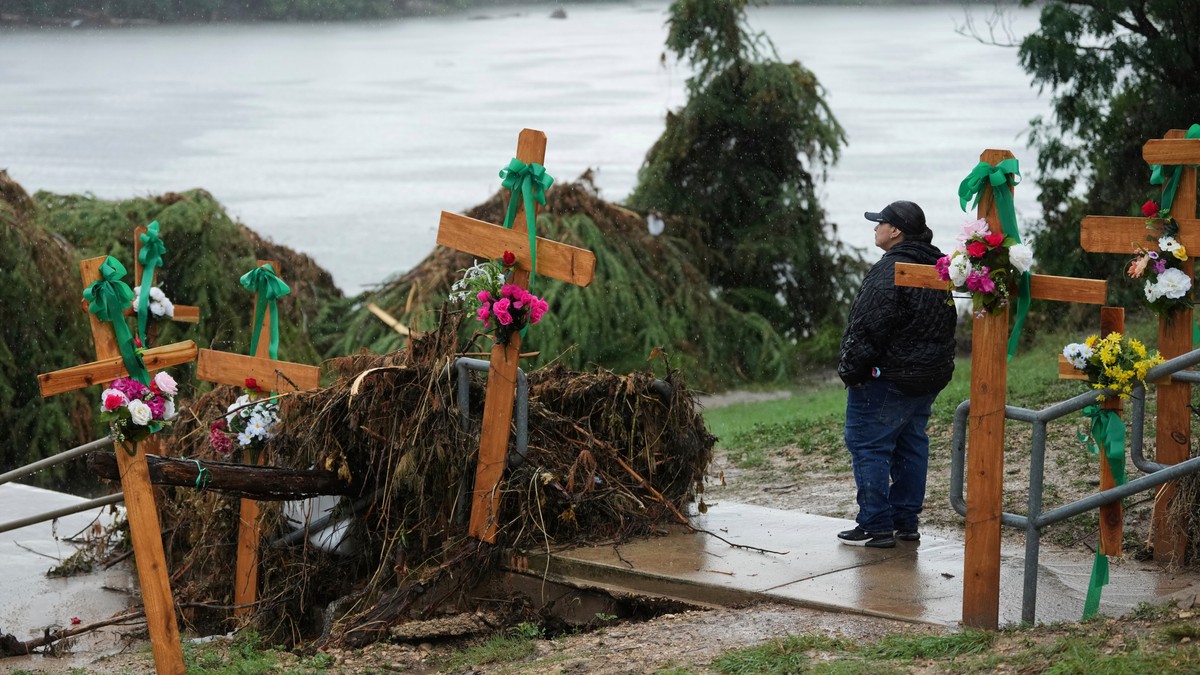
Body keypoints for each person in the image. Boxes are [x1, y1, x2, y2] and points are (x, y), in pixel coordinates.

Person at [836, 200, 957, 549]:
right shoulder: (937, 266)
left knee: (868, 445)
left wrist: (851, 370)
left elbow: (867, 326)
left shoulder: (890, 269)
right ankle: (905, 522)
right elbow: (946, 323)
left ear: (896, 231)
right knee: (910, 445)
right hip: (926, 378)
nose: (875, 228)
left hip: (886, 378)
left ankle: (875, 524)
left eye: (880, 223)